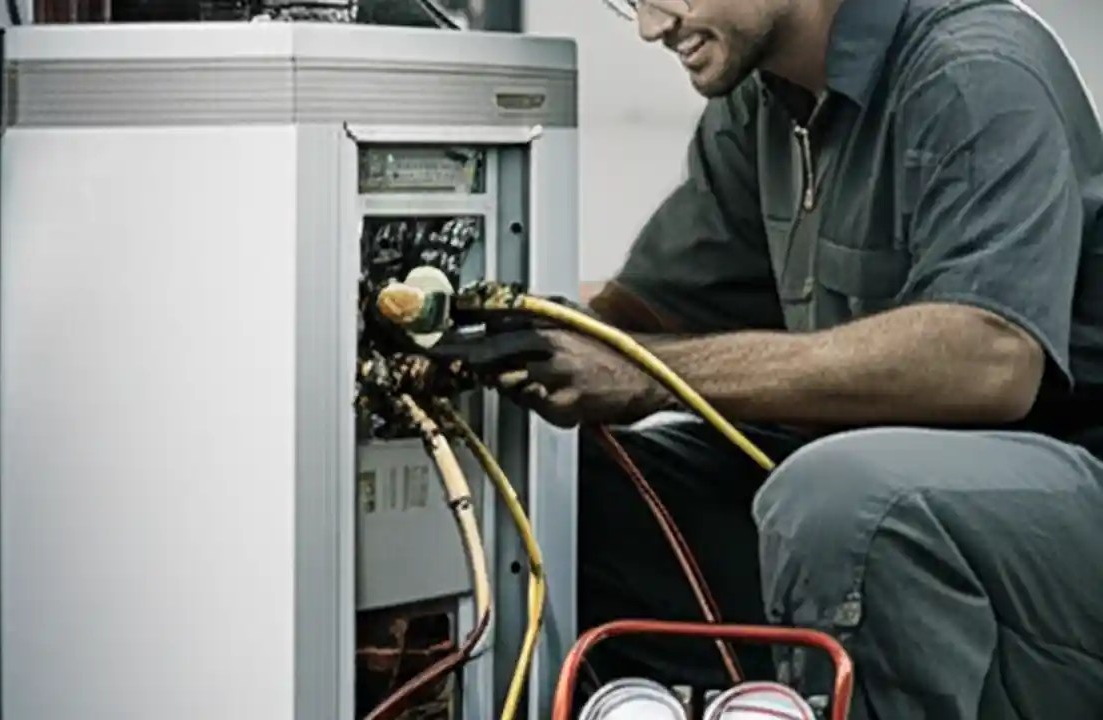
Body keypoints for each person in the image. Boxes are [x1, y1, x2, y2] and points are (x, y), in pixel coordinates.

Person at [430, 0, 1103, 717]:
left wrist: (648, 377)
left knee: (840, 496)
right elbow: (644, 314)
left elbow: (990, 359)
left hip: (1053, 518)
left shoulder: (976, 71)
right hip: (845, 508)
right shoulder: (764, 103)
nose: (652, 26)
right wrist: (486, 335)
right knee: (563, 492)